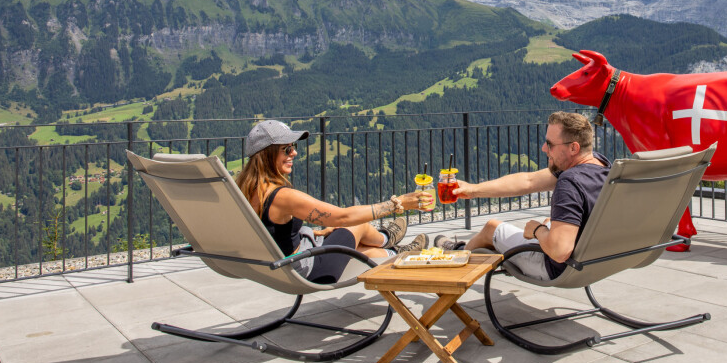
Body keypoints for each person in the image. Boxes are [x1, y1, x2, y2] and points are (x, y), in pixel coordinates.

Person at [238, 120, 431, 284]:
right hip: (307, 269)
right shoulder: (281, 196)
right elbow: (343, 217)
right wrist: (399, 203)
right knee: (357, 225)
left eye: (293, 147)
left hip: (281, 269)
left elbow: (274, 233)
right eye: (287, 149)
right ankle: (387, 239)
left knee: (363, 251)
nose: (294, 153)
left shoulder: (246, 190)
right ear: (267, 154)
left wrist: (314, 232)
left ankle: (400, 254)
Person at [435, 111, 610, 281]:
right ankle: (464, 249)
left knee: (491, 228)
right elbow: (529, 181)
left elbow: (559, 251)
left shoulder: (569, 183)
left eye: (550, 144)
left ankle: (456, 255)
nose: (543, 149)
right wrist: (473, 190)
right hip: (595, 261)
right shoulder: (602, 166)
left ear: (573, 148)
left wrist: (537, 230)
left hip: (556, 266)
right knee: (547, 222)